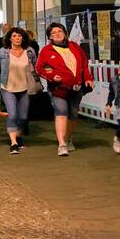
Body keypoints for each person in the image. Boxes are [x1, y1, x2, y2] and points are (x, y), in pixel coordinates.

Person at [35, 21, 93, 156]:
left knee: (73, 115)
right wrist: (51, 76)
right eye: (53, 33)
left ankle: (68, 139)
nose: (57, 34)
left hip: (76, 88)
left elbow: (84, 64)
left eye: (59, 31)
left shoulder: (75, 46)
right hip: (58, 89)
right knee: (61, 112)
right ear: (50, 37)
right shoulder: (46, 51)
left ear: (65, 33)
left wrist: (88, 78)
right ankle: (61, 145)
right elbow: (39, 68)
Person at [0, 28, 38, 155]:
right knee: (12, 114)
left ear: (23, 38)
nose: (17, 38)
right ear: (9, 38)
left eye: (19, 36)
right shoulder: (3, 52)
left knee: (23, 117)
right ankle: (13, 143)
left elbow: (36, 67)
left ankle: (18, 136)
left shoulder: (29, 51)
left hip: (25, 88)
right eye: (14, 36)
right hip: (7, 88)